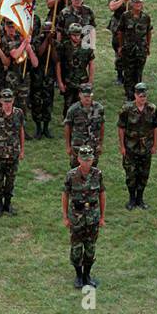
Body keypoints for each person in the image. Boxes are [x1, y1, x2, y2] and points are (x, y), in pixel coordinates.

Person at [62, 145, 105, 290]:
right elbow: (65, 195)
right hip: (77, 216)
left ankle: (87, 275)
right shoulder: (71, 175)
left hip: (92, 216)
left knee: (90, 247)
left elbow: (101, 194)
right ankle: (78, 275)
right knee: (76, 247)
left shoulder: (97, 174)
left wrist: (102, 216)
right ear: (79, 159)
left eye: (90, 160)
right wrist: (65, 217)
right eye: (84, 160)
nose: (87, 163)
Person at [117, 82, 157, 210]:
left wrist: (154, 145)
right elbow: (121, 128)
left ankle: (140, 199)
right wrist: (122, 146)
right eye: (140, 96)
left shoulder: (152, 109)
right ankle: (131, 199)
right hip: (131, 147)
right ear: (135, 95)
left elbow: (155, 127)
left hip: (146, 147)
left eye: (144, 96)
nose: (142, 98)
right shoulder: (126, 109)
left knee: (143, 174)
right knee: (131, 174)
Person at [0, 88, 26, 216]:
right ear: (0, 101)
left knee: (10, 180)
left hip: (13, 153)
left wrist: (22, 150)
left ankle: (8, 204)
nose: (7, 104)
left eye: (9, 101)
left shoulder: (19, 113)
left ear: (13, 100)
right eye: (5, 101)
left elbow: (21, 130)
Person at [64, 82, 104, 170]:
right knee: (76, 170)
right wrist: (68, 146)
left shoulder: (99, 108)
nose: (87, 99)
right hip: (78, 146)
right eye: (85, 96)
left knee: (93, 170)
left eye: (89, 96)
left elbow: (101, 126)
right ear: (80, 95)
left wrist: (100, 144)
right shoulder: (73, 110)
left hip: (93, 145)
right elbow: (67, 127)